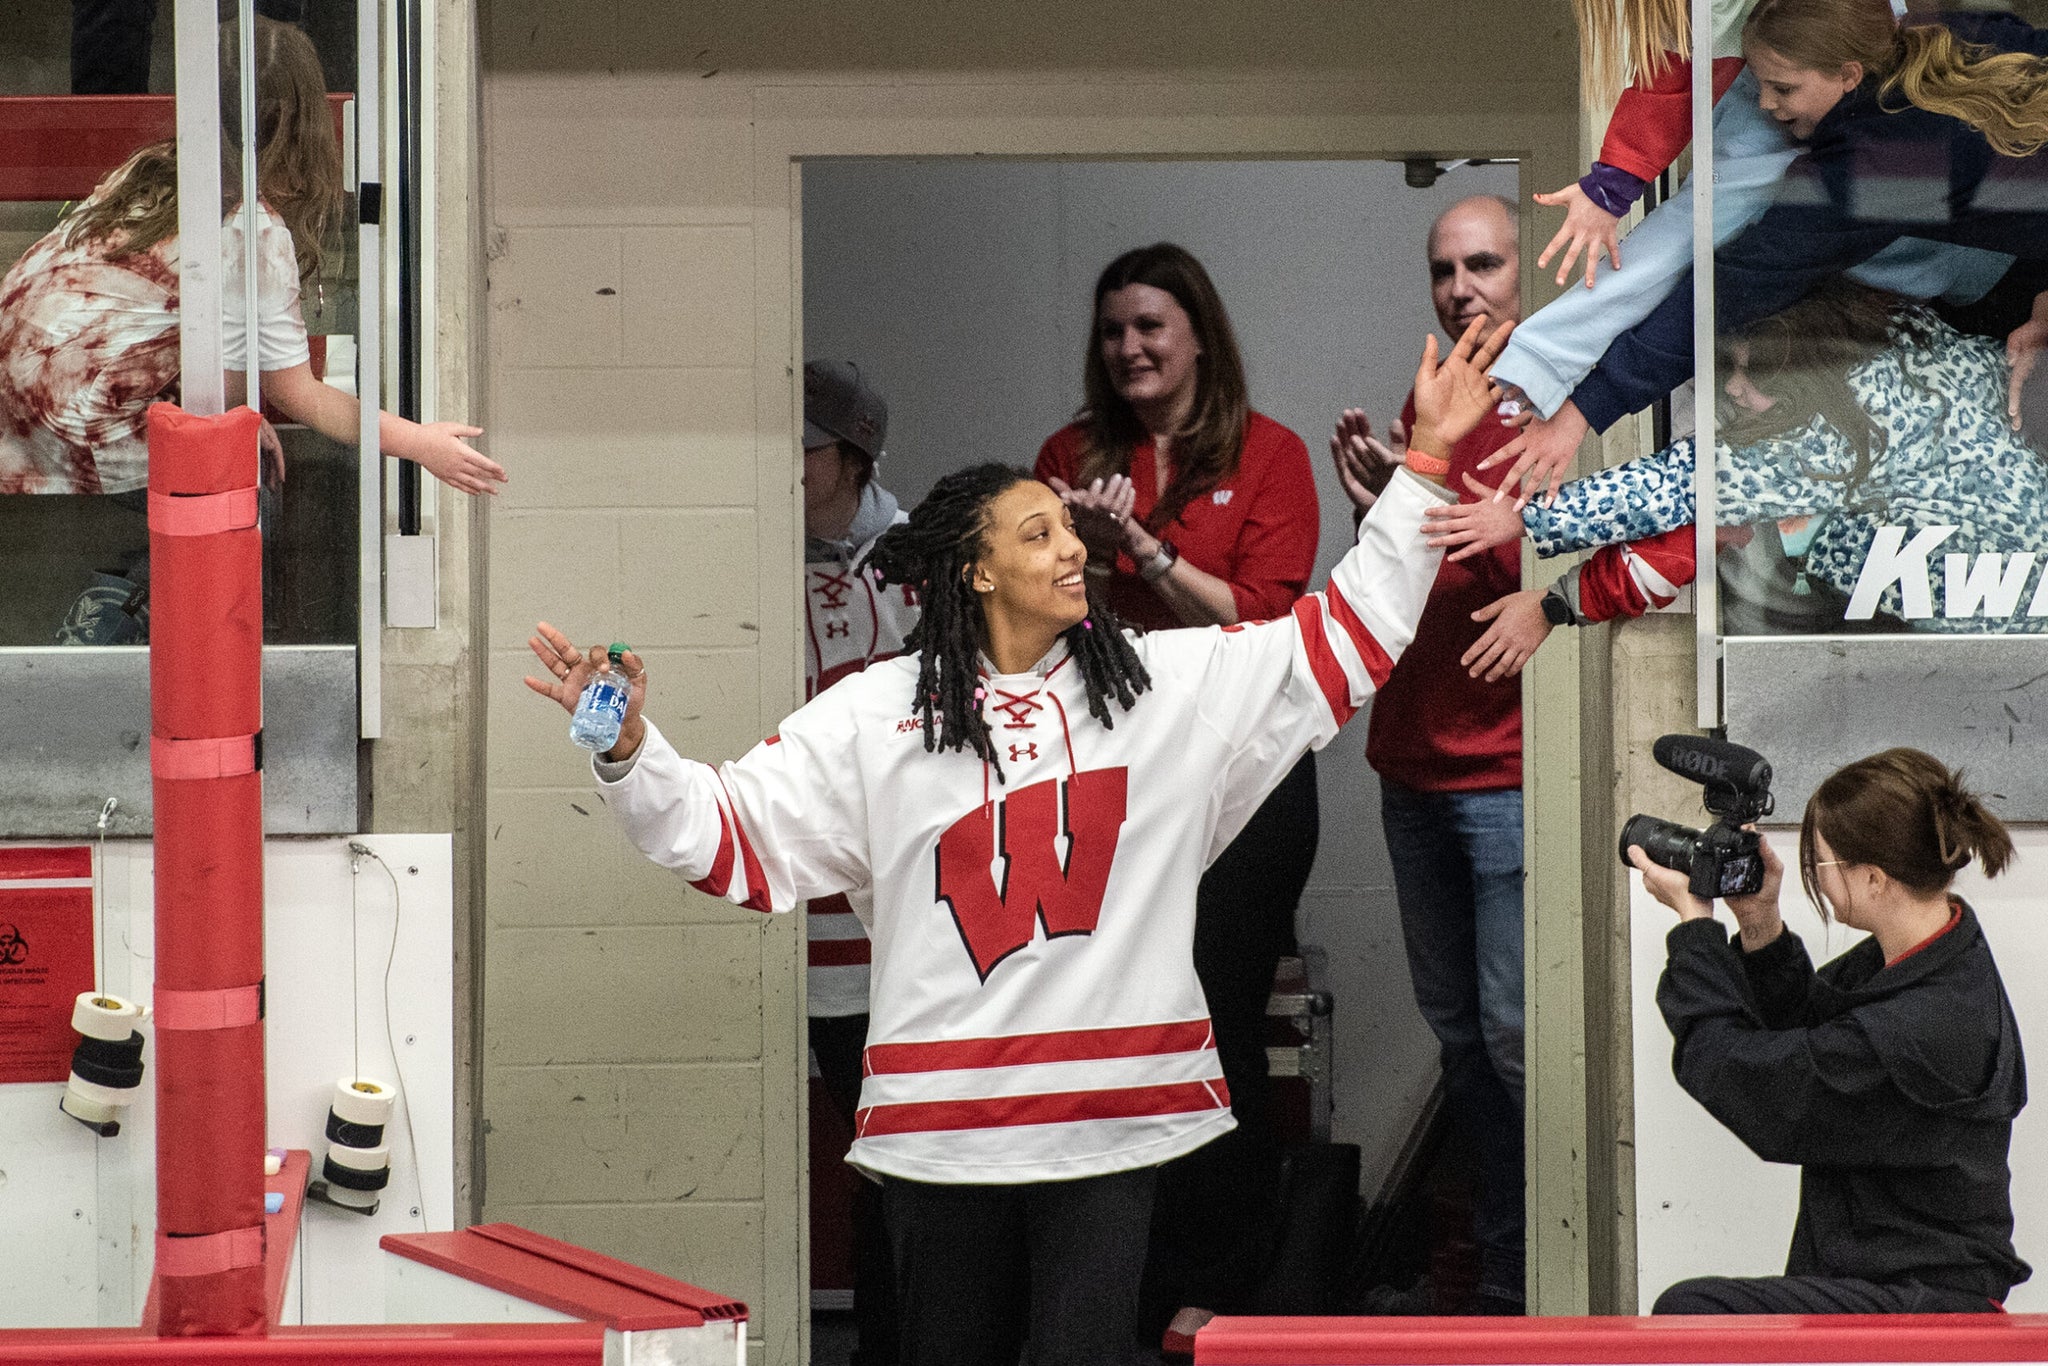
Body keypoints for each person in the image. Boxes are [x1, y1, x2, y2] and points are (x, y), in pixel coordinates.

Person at [525, 318, 1515, 1366]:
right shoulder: (874, 713)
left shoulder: (1162, 687)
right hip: (938, 1136)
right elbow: (720, 836)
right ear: (975, 572)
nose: (1071, 546)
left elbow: (1348, 635)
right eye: (1036, 532)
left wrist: (1424, 465)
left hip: (1107, 1127)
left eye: (1066, 529)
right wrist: (619, 740)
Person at [1032, 243, 1323, 1349]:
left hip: (1241, 783)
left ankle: (1216, 1289)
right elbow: (1033, 616)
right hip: (1108, 784)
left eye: (1150, 327)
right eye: (1113, 331)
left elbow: (1258, 626)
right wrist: (1086, 561)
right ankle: (1119, 1279)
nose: (1130, 349)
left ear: (1198, 332)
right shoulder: (1068, 453)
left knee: (1218, 1023)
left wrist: (1140, 549)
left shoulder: (1270, 454)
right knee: (1109, 1027)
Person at [0, 18, 505, 638]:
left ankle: (131, 605)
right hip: (78, 422)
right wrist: (421, 444)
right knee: (248, 488)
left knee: (234, 441)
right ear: (304, 127)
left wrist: (235, 409)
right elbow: (300, 394)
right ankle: (135, 622)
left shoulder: (157, 169)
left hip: (16, 394)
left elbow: (183, 346)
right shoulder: (251, 230)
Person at [1495, 0, 2048, 499]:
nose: (1765, 104)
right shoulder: (1965, 33)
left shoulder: (1877, 165)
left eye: (1782, 88)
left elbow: (1729, 289)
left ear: (1849, 73)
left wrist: (1583, 410)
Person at [1423, 283, 2048, 660]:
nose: (1740, 392)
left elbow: (1675, 484)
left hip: (1997, 628)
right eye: (1732, 370)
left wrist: (1525, 516)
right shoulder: (1917, 344)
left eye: (1762, 372)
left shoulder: (1828, 438)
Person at [1629, 747, 2029, 1314]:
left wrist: (1696, 928)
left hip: (1920, 1297)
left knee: (1693, 1312)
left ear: (1872, 878)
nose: (1813, 877)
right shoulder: (1942, 953)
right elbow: (1813, 1031)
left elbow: (1740, 1076)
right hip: (1881, 1271)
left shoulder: (1921, 1024)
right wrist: (1760, 924)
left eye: (1820, 865)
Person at [1328, 194, 1528, 1316]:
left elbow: (1559, 586)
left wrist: (1472, 519)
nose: (1459, 288)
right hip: (1410, 766)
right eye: (1442, 269)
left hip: (1503, 775)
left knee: (1510, 1035)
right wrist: (1378, 507)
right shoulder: (1431, 398)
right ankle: (1499, 1276)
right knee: (1458, 1040)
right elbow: (1418, 573)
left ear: (1523, 272)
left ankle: (1534, 1269)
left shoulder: (1558, 402)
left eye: (1482, 264)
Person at [800, 357, 911, 1366]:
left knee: (901, 1154)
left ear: (851, 454)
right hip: (811, 924)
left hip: (907, 920)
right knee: (865, 1144)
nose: (784, 468)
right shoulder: (752, 556)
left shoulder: (918, 556)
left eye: (803, 449)